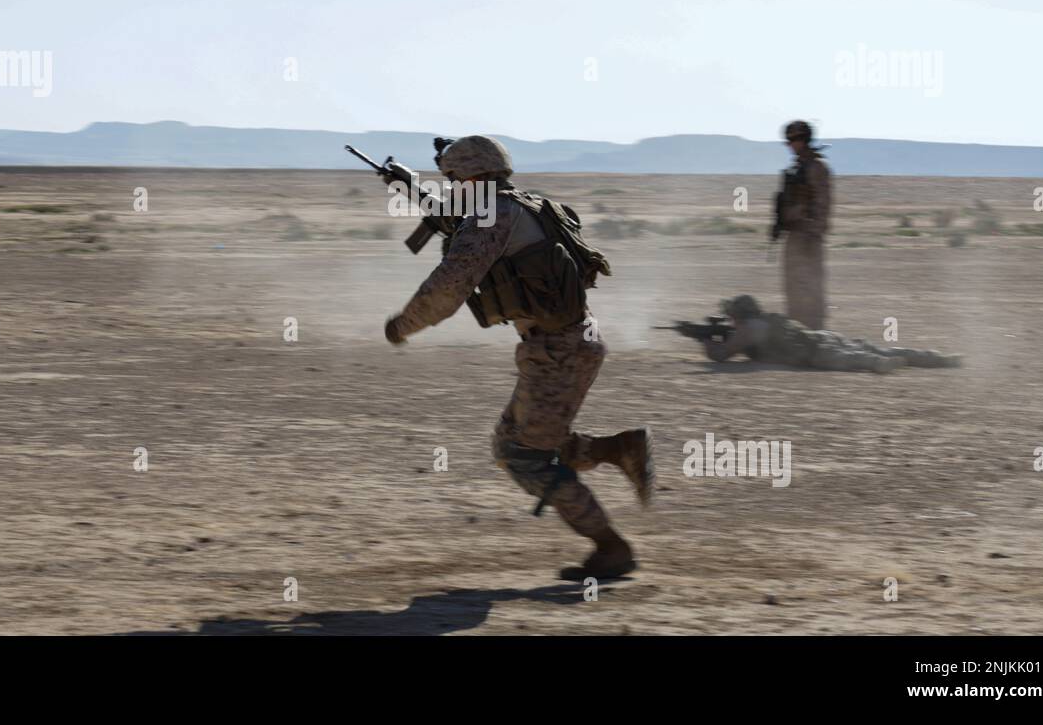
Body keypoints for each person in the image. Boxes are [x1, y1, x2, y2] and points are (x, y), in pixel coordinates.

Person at [383, 135, 652, 581]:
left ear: (468, 177)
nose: (451, 189)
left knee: (523, 454)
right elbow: (461, 221)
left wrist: (403, 325)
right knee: (519, 440)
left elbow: (450, 286)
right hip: (565, 344)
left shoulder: (491, 215)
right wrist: (410, 185)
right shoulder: (524, 204)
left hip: (557, 351)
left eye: (452, 180)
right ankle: (616, 449)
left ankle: (612, 548)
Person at [700, 295, 963, 373]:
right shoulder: (766, 321)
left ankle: (880, 365)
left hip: (816, 351)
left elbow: (721, 355)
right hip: (823, 337)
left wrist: (705, 339)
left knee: (859, 358)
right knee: (885, 348)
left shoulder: (749, 329)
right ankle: (940, 359)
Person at [774, 120, 831, 328]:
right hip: (794, 235)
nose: (790, 145)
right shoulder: (797, 168)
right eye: (788, 141)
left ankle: (816, 332)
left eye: (793, 140)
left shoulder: (816, 167)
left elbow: (823, 205)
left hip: (808, 237)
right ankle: (797, 330)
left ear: (803, 140)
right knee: (793, 285)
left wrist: (813, 233)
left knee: (811, 285)